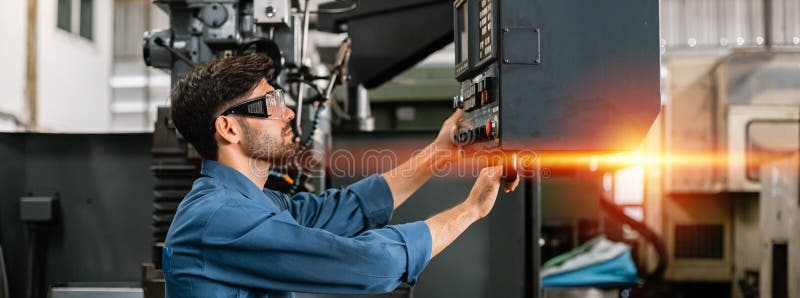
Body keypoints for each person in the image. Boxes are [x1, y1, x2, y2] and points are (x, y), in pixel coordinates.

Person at [164, 53, 519, 297]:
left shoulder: (255, 203)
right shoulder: (220, 218)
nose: (288, 113)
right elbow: (373, 264)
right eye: (271, 104)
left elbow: (348, 208)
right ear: (228, 129)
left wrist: (439, 152)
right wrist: (472, 209)